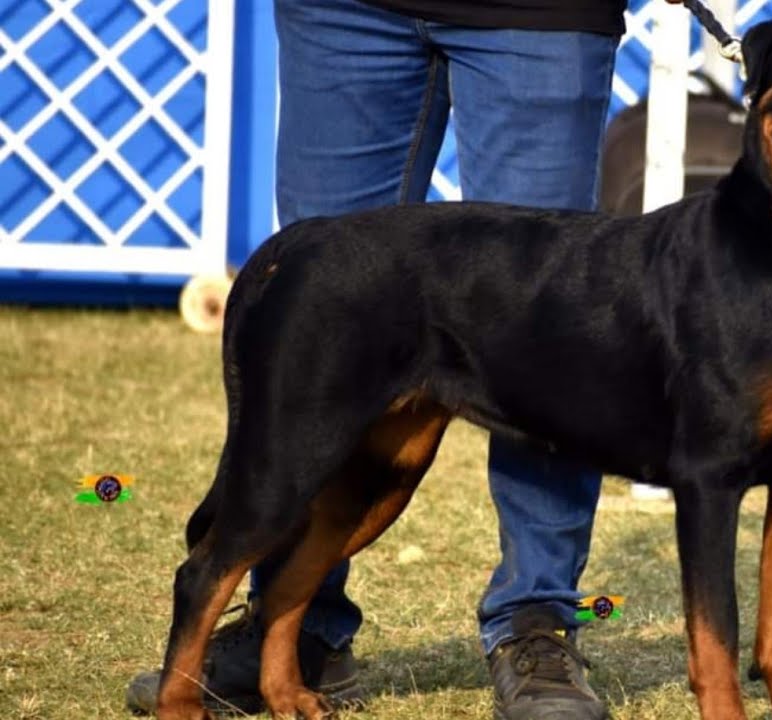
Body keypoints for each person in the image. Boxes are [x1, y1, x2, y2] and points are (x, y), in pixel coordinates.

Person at [125, 0, 683, 717]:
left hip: (543, 11)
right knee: (310, 385)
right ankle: (288, 637)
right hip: (344, 13)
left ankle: (536, 627)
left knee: (552, 344)